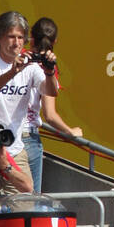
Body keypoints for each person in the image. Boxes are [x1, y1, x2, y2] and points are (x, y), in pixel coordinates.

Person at [0, 10, 57, 194]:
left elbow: (51, 91)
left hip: (14, 148)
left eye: (21, 37)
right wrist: (13, 72)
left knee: (24, 203)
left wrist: (49, 71)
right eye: (11, 37)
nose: (16, 43)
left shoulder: (30, 67)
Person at [22, 16, 82, 192]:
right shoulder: (48, 68)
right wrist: (70, 132)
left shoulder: (18, 58)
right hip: (29, 138)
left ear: (30, 38)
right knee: (31, 200)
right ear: (55, 41)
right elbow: (50, 115)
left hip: (7, 135)